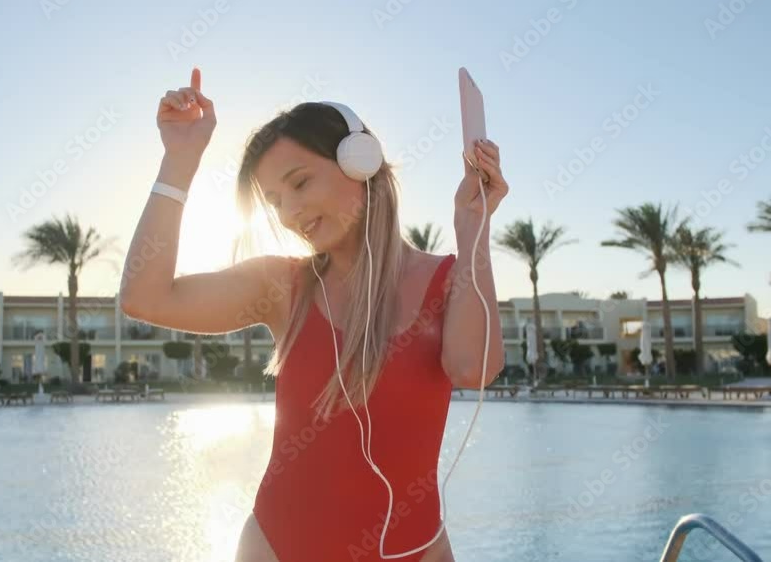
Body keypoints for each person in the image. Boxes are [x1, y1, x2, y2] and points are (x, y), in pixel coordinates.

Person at [120, 68, 509, 562]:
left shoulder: (449, 282)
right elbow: (145, 297)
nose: (290, 213)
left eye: (300, 183)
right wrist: (179, 160)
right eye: (276, 201)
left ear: (360, 161)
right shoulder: (283, 287)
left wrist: (473, 225)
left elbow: (473, 369)